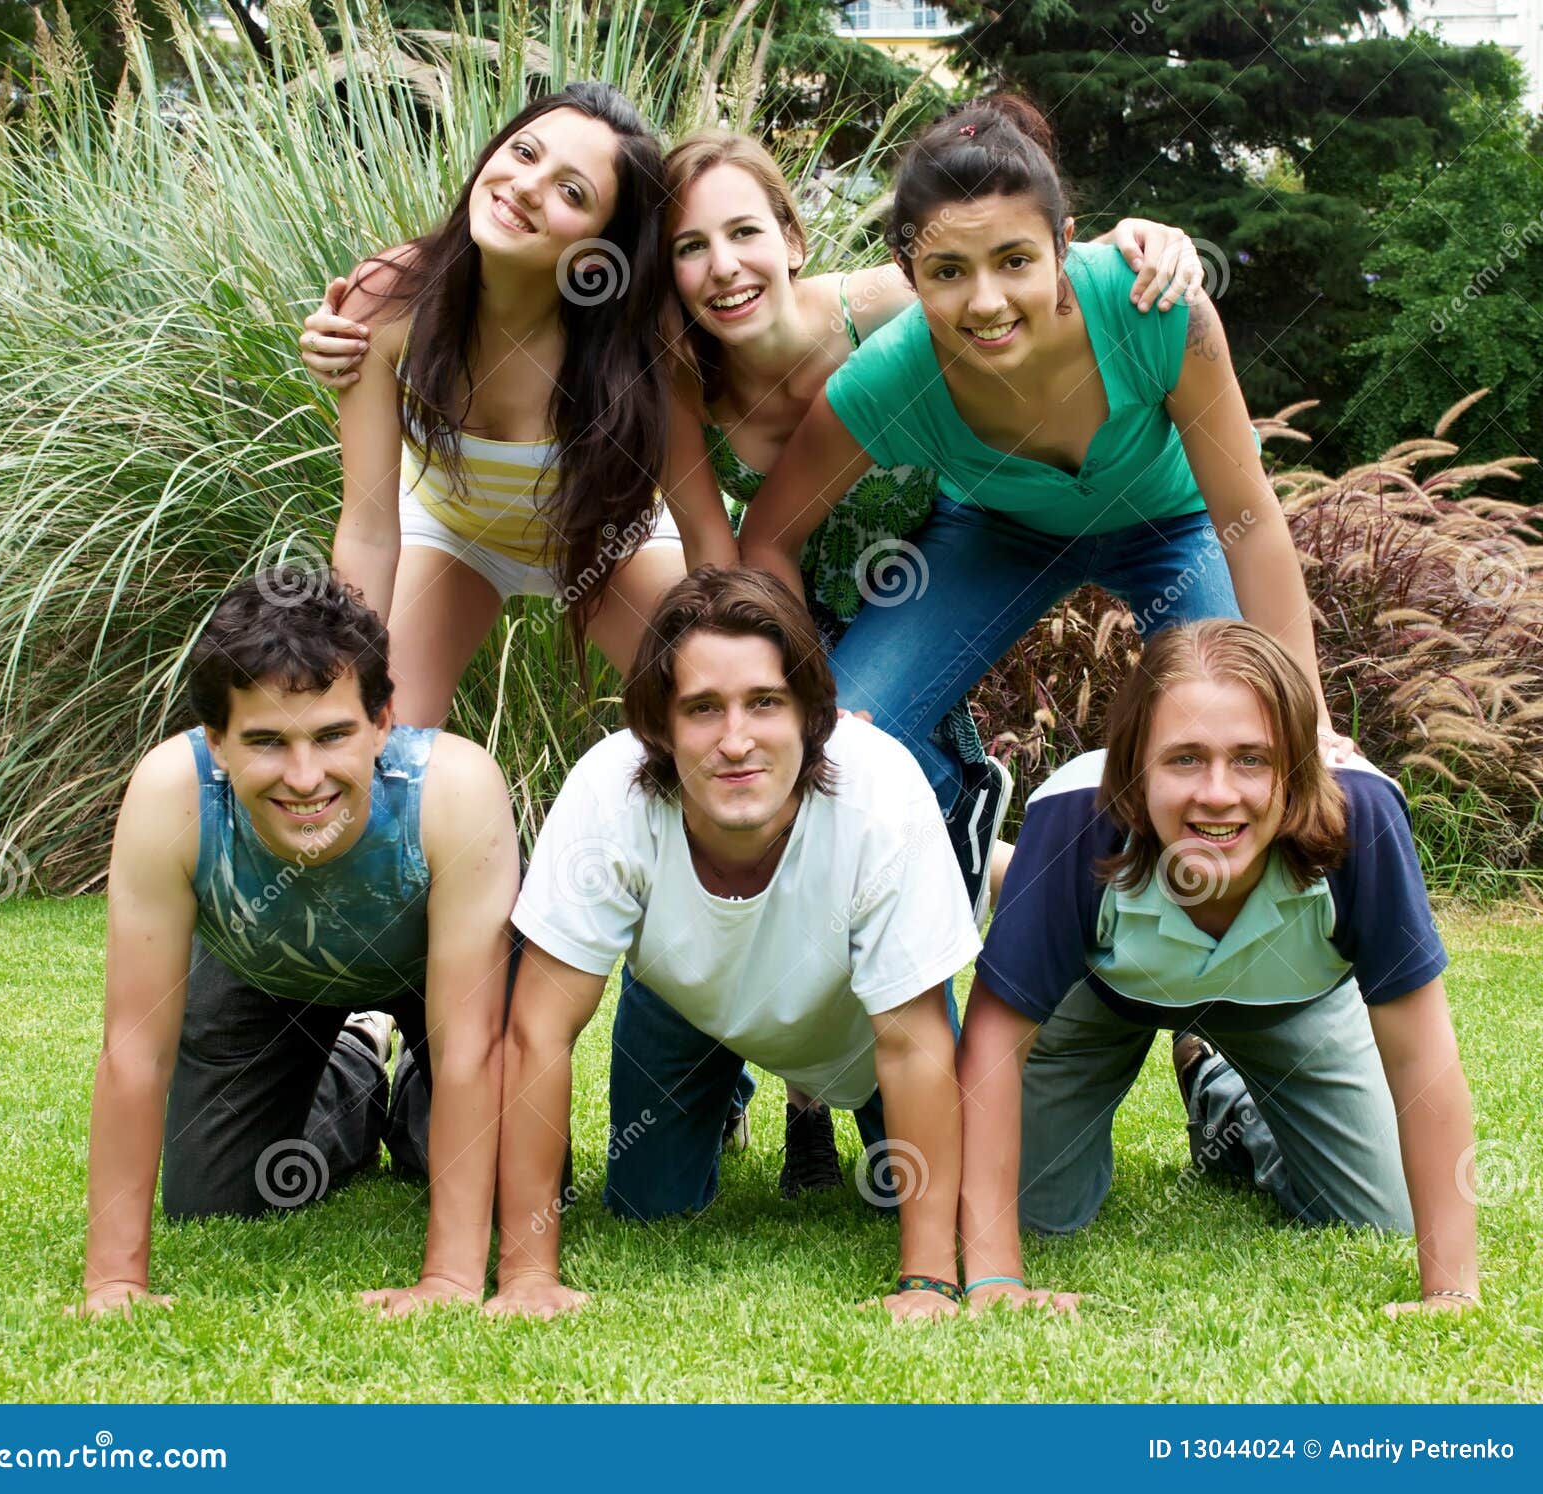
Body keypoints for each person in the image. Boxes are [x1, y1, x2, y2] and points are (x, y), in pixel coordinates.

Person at [301, 123, 1204, 1195]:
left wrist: (1142, 241)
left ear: (791, 238)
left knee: (814, 767)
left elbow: (1004, 255)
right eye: (691, 247)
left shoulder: (874, 308)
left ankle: (860, 1026)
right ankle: (465, 1037)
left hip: (845, 578)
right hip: (679, 580)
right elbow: (716, 551)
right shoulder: (639, 352)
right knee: (527, 757)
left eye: (745, 234)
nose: (722, 265)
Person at [739, 93, 1354, 832]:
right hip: (996, 530)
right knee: (837, 757)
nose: (986, 302)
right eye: (947, 271)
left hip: (1175, 523)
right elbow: (769, 537)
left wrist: (1311, 722)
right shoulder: (891, 380)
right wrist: (806, 693)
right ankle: (958, 806)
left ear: (1064, 244)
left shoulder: (1157, 308)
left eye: (1015, 261)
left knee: (1245, 741)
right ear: (906, 270)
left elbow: (1247, 520)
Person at [483, 567, 983, 1323]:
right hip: (685, 998)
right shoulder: (608, 792)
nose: (736, 740)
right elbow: (537, 1033)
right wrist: (526, 1274)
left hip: (860, 1017)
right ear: (659, 726)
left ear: (812, 715)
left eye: (765, 703)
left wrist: (928, 1281)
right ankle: (724, 1097)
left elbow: (914, 1048)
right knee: (648, 1207)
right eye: (703, 708)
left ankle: (812, 1103)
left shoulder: (882, 792)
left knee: (918, 1199)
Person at [955, 620, 1479, 1318]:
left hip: (1289, 1001)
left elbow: (1422, 1058)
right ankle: (1016, 880)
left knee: (1381, 1212)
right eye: (1185, 759)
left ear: (1298, 769)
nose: (1218, 793)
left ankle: (1216, 1090)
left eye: (1252, 759)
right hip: (1104, 993)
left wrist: (1450, 1289)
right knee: (1033, 1211)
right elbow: (992, 1049)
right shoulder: (1075, 814)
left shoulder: (1365, 817)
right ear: (1135, 768)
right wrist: (995, 1279)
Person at [72, 569, 519, 1319]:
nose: (305, 777)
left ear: (382, 722)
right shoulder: (171, 794)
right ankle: (355, 1067)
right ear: (217, 741)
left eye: (333, 735)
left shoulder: (454, 789)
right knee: (214, 1199)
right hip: (264, 973)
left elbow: (473, 1047)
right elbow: (133, 1049)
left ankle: (418, 1088)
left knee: (511, 1186)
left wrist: (448, 1278)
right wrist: (114, 1283)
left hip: (436, 981)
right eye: (266, 741)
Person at [322, 82, 724, 727]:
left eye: (572, 192)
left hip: (610, 543)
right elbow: (368, 527)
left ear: (600, 251)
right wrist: (348, 682)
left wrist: (740, 667)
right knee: (382, 737)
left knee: (706, 713)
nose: (527, 186)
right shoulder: (388, 297)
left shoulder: (643, 341)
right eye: (525, 152)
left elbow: (704, 531)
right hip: (454, 533)